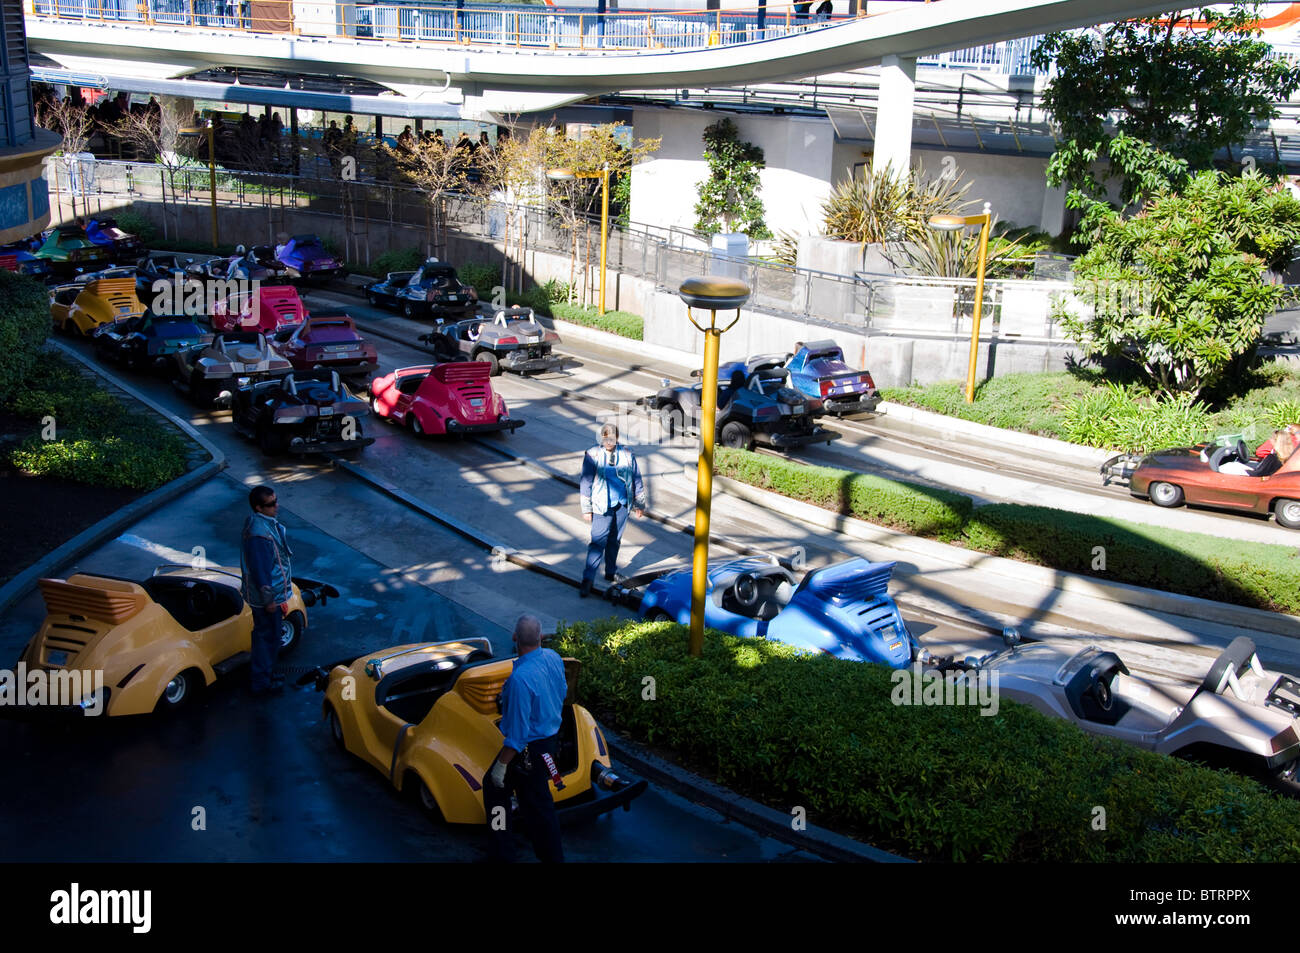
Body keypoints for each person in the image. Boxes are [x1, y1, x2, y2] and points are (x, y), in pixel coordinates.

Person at [482, 615, 567, 863]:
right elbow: (561, 692)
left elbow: (517, 736)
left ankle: (502, 853)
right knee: (539, 804)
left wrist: (501, 766)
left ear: (514, 638)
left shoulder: (520, 679)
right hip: (547, 745)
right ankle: (551, 856)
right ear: (541, 637)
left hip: (527, 751)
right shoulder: (552, 657)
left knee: (494, 789)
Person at [578, 423, 646, 597]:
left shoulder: (628, 454)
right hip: (601, 505)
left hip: (622, 505)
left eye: (612, 438)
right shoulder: (592, 454)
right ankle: (588, 579)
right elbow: (586, 482)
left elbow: (636, 478)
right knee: (598, 541)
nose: (609, 441)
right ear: (602, 438)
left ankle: (610, 571)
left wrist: (640, 503)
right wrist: (587, 509)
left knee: (615, 539)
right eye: (606, 438)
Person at [239, 485, 292, 696]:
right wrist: (269, 600)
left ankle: (268, 674)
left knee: (269, 636)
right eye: (271, 504)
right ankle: (262, 682)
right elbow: (261, 571)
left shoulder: (261, 524)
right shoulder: (259, 535)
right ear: (259, 507)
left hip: (272, 595)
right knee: (266, 638)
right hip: (267, 599)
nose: (276, 506)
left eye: (276, 501)